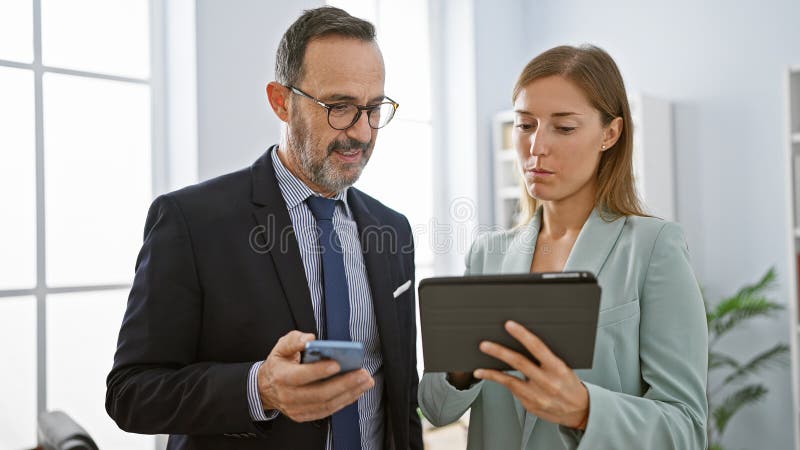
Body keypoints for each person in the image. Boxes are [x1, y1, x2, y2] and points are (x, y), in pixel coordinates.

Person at [106, 7, 422, 450]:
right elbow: (131, 393)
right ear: (281, 100)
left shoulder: (393, 229)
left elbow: (400, 394)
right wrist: (260, 388)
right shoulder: (191, 221)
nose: (363, 133)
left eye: (373, 109)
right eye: (340, 108)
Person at [418, 44, 708, 449]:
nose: (537, 146)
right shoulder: (488, 254)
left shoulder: (654, 248)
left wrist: (585, 410)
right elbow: (436, 409)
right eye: (524, 125)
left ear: (610, 134)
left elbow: (686, 429)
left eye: (564, 127)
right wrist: (463, 367)